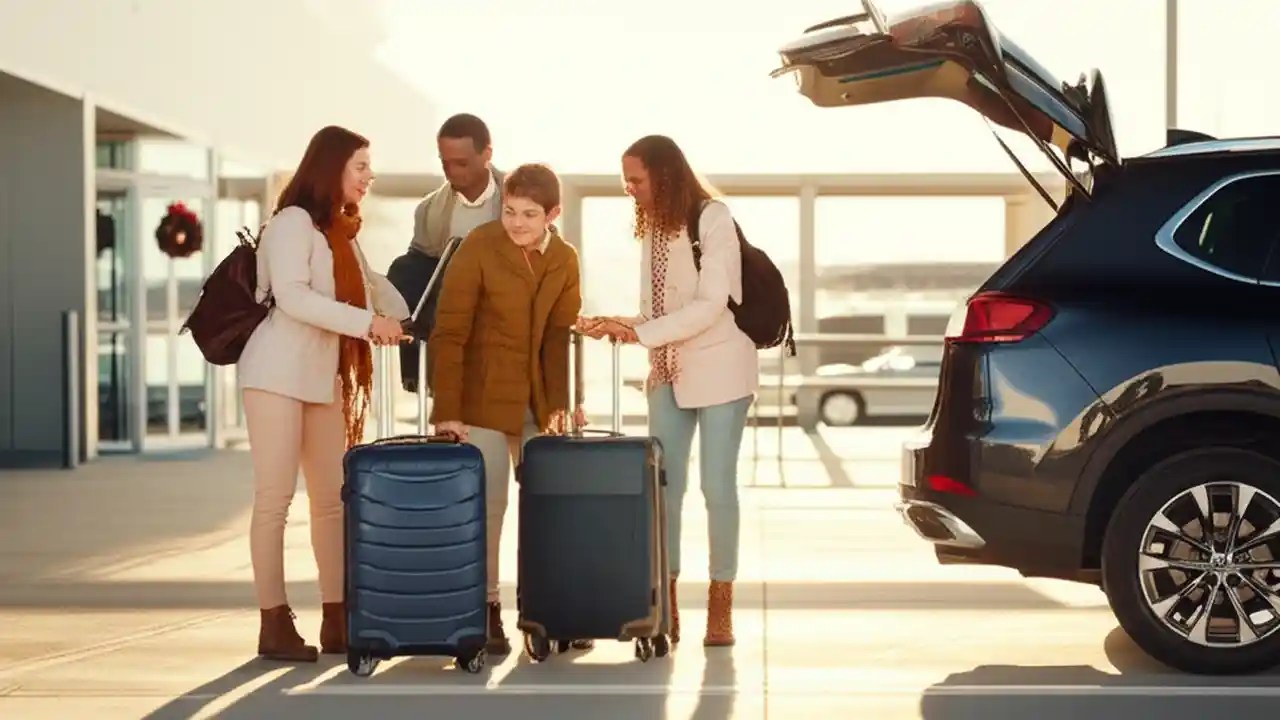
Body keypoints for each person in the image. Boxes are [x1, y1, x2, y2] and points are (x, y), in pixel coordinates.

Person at [237, 125, 410, 662]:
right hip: (275, 374)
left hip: (319, 375)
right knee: (274, 500)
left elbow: (368, 290)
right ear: (331, 167)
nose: (369, 176)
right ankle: (274, 623)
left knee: (332, 500)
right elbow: (293, 297)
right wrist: (367, 324)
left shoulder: (341, 231)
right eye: (361, 165)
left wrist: (406, 317)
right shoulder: (291, 223)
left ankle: (338, 618)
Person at [579, 135, 759, 647]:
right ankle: (667, 597)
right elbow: (655, 314)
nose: (629, 189)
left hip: (722, 368)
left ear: (663, 175)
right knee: (664, 489)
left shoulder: (713, 217)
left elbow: (711, 305)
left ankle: (721, 602)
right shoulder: (653, 229)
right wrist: (620, 325)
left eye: (635, 179)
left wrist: (644, 333)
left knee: (716, 488)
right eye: (626, 181)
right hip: (667, 370)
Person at [427, 162, 585, 655]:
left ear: (552, 214)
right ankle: (485, 608)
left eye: (529, 214)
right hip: (482, 398)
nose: (517, 223)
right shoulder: (480, 246)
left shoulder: (564, 258)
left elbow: (560, 337)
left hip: (538, 400)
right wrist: (447, 409)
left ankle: (545, 609)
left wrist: (565, 404)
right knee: (487, 508)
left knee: (547, 509)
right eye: (511, 211)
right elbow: (449, 331)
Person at [387, 113, 505, 390]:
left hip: (504, 309)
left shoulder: (520, 196)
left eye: (461, 163)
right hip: (450, 311)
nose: (452, 172)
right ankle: (419, 375)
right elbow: (418, 272)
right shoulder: (429, 209)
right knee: (405, 270)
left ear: (487, 154)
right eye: (445, 163)